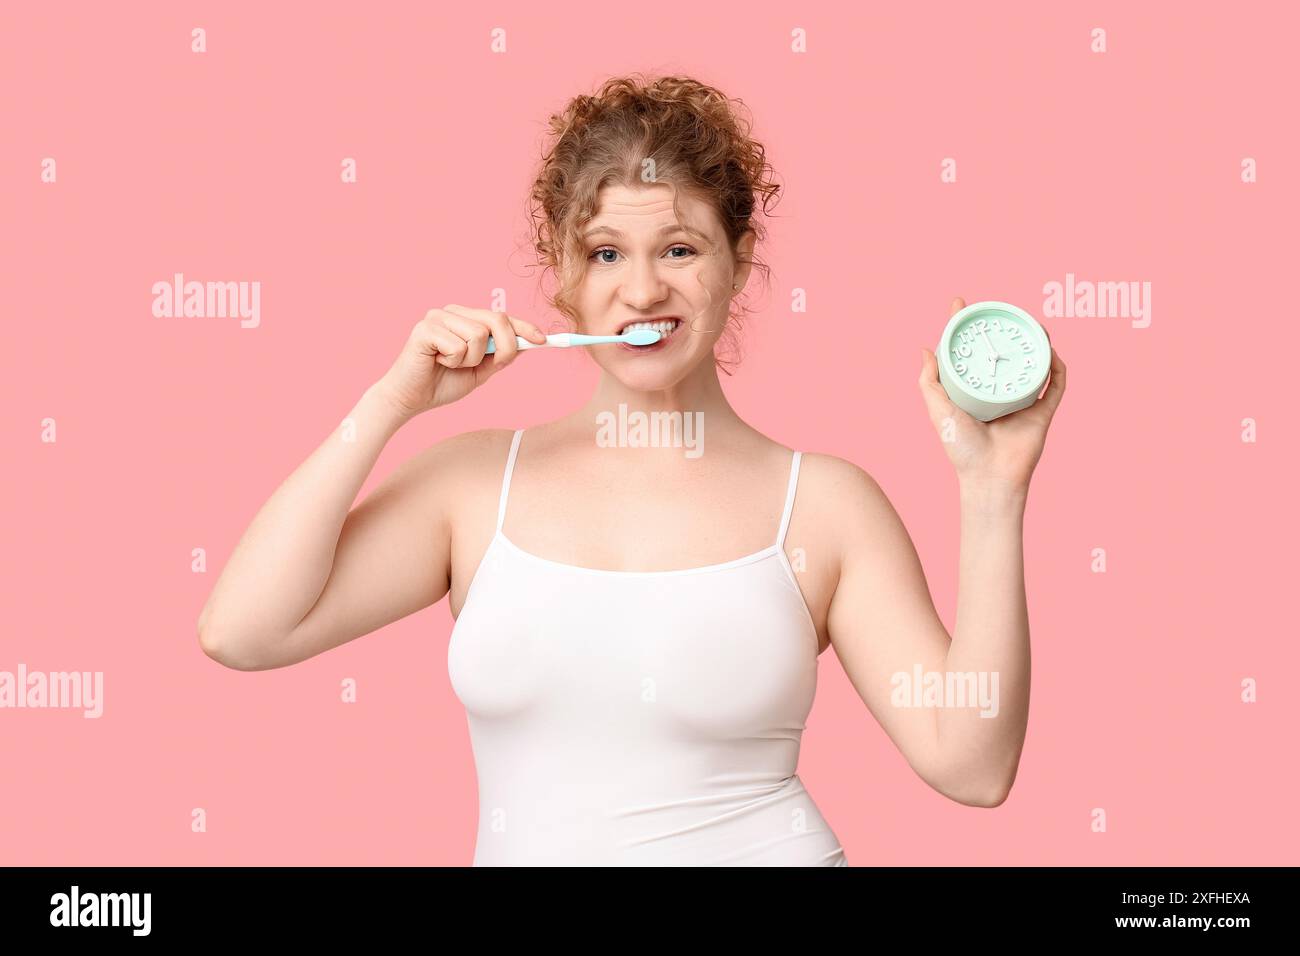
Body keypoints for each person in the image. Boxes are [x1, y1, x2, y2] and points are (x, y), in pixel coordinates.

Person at [197, 74, 1067, 866]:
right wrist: (390, 404)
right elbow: (243, 630)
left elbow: (972, 764)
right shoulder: (470, 488)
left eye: (681, 250)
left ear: (736, 264)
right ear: (565, 279)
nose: (644, 290)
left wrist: (994, 493)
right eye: (607, 253)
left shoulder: (826, 507)